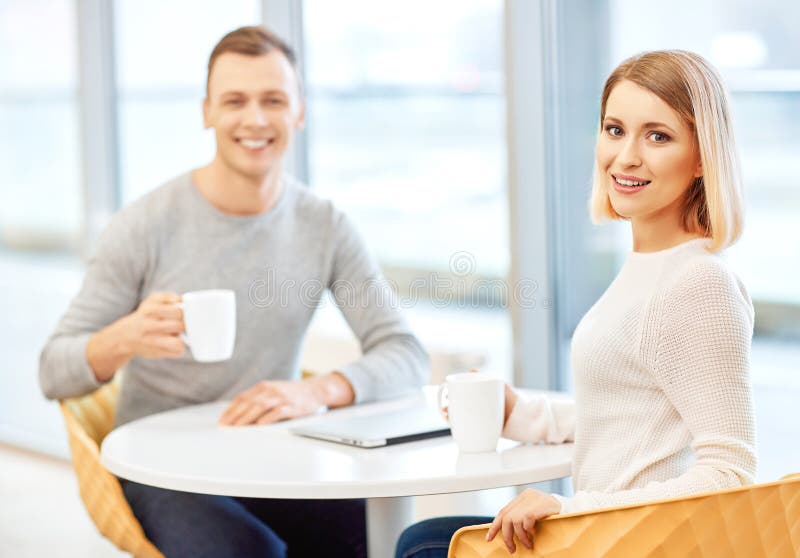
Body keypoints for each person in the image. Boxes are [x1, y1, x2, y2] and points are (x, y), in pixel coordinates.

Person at [39, 25, 429, 558]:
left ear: (299, 112)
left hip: (272, 458)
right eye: (234, 101)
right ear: (206, 113)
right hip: (160, 468)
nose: (255, 119)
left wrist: (318, 390)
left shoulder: (326, 226)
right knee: (250, 551)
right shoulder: (145, 225)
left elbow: (405, 354)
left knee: (377, 537)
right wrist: (123, 338)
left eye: (273, 100)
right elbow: (52, 370)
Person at [396, 49, 756, 557]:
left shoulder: (698, 284)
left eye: (658, 136)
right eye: (614, 129)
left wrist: (571, 510)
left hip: (627, 542)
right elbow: (628, 414)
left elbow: (731, 472)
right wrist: (520, 413)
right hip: (605, 533)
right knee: (425, 539)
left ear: (702, 158)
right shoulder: (650, 267)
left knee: (425, 546)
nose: (626, 155)